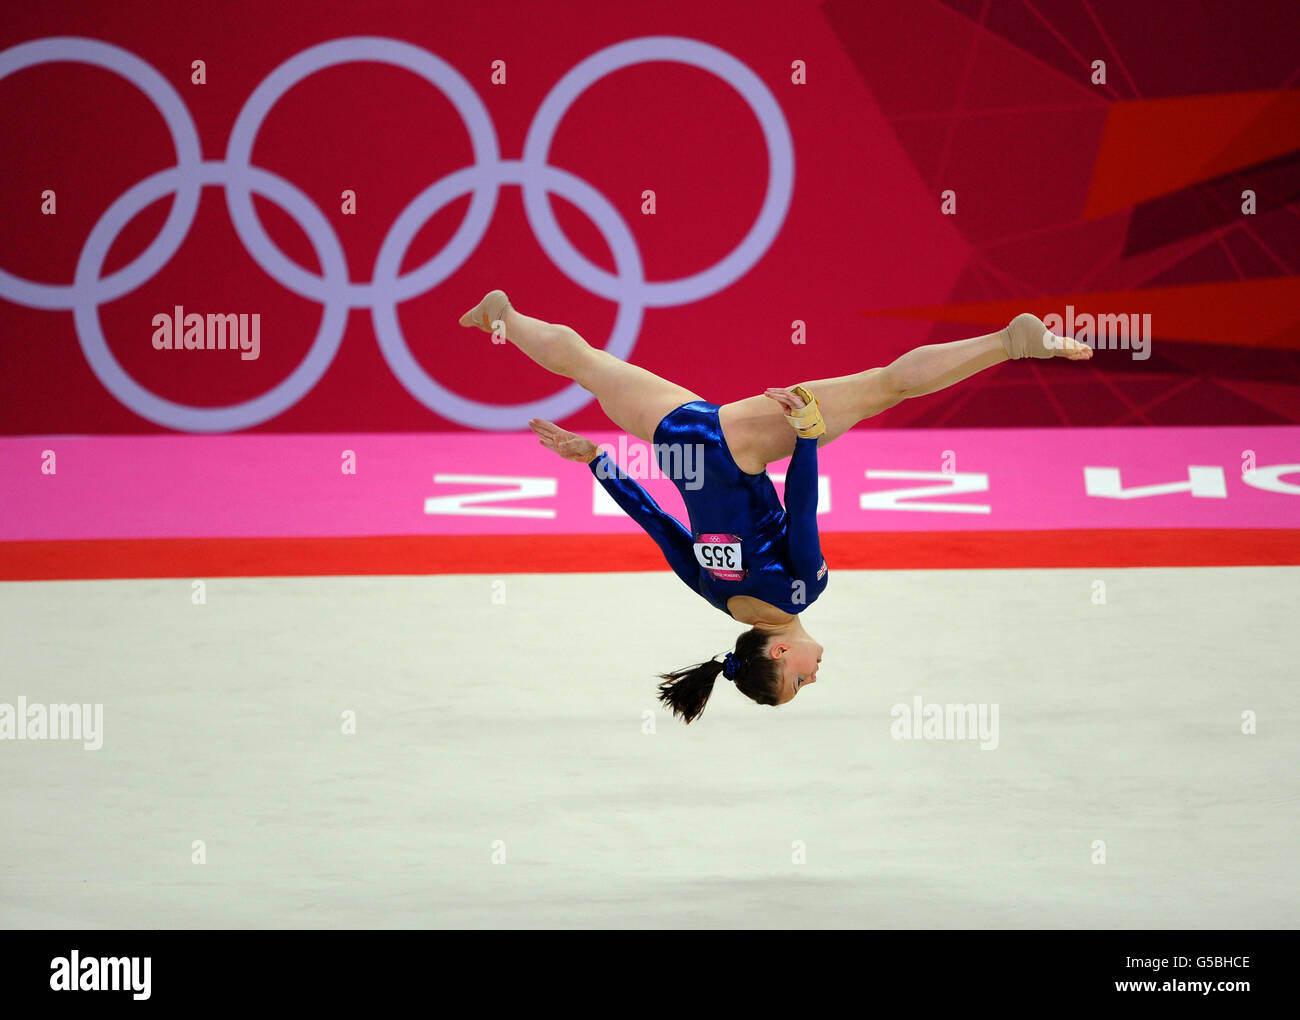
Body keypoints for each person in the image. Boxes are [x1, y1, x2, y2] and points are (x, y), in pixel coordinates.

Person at [459, 289, 1091, 722]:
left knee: (885, 387)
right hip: (679, 442)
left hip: (739, 445)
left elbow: (804, 505)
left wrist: (810, 437)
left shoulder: (800, 590)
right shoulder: (717, 596)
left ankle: (1011, 342)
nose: (813, 679)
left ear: (780, 654)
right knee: (589, 366)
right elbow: (657, 524)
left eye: (798, 683)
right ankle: (505, 319)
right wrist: (595, 460)